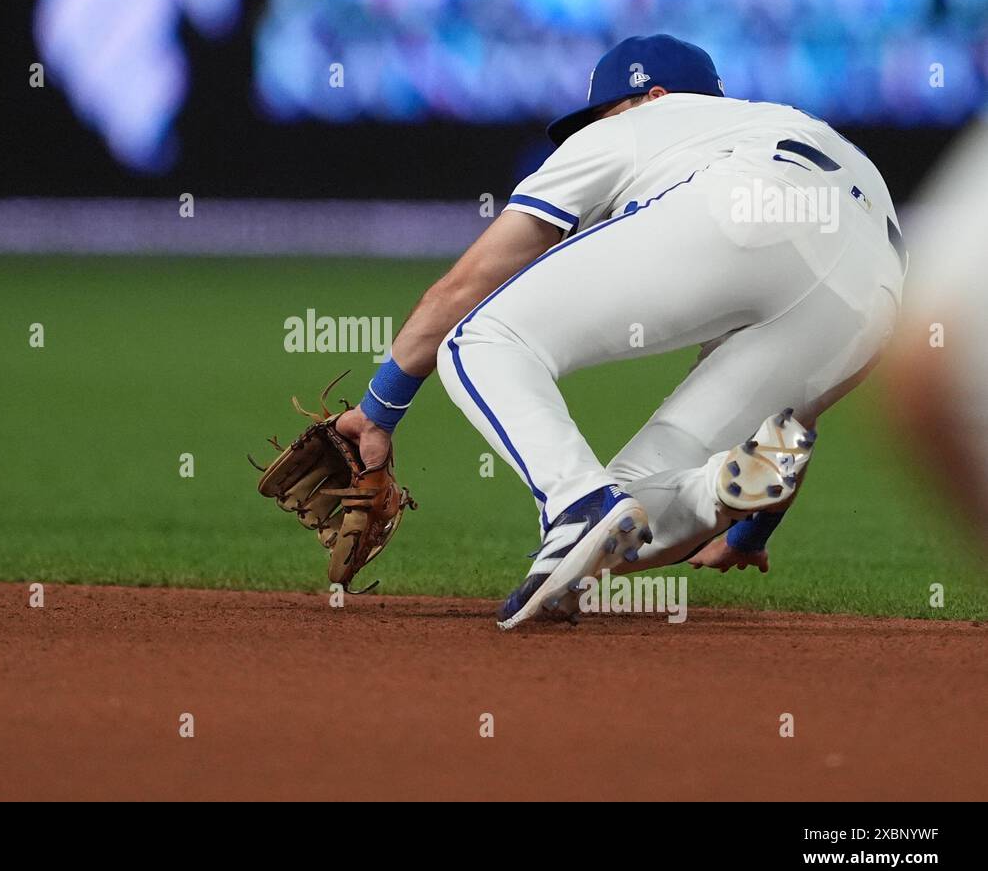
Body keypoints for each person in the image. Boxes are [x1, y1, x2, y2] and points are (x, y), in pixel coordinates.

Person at [335, 34, 907, 629]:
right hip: (876, 305)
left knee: (480, 338)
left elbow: (464, 287)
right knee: (630, 505)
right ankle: (711, 493)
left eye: (599, 113)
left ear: (649, 96)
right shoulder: (786, 126)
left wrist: (380, 410)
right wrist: (747, 531)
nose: (592, 128)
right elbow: (785, 430)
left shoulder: (641, 122)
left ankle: (576, 503)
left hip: (747, 207)